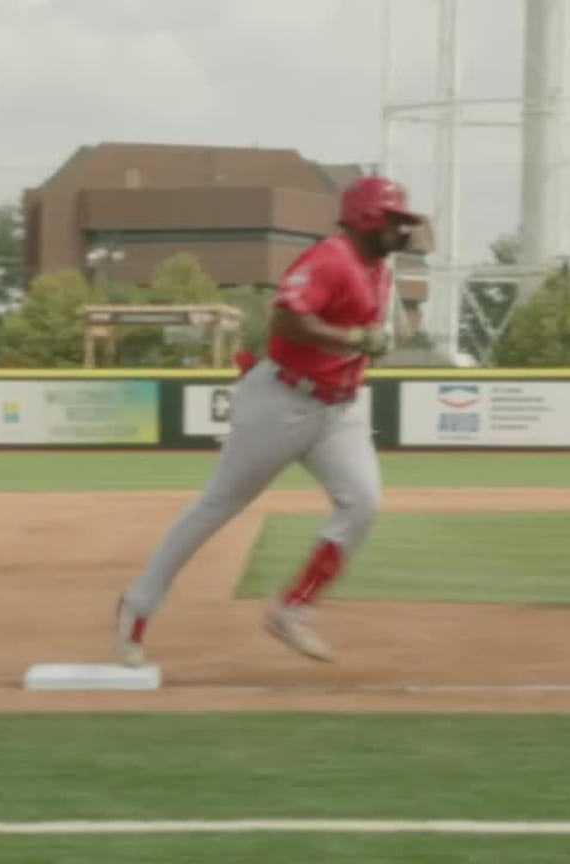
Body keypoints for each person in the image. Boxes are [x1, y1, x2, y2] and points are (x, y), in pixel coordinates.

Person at [113, 176, 423, 666]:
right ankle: (136, 607)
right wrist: (354, 338)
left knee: (362, 503)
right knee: (217, 506)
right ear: (367, 218)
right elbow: (286, 320)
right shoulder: (331, 258)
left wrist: (366, 343)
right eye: (395, 220)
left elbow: (359, 335)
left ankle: (292, 610)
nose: (403, 230)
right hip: (282, 399)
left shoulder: (381, 269)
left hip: (339, 407)